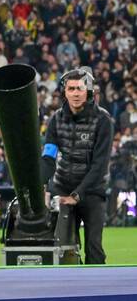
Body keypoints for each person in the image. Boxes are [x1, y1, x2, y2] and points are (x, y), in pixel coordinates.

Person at [43, 68, 113, 264]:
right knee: (62, 250)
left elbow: (100, 164)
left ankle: (96, 283)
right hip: (62, 189)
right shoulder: (55, 119)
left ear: (88, 91)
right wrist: (43, 186)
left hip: (92, 192)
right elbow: (48, 157)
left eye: (79, 89)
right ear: (64, 92)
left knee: (94, 250)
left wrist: (77, 195)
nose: (75, 93)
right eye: (71, 89)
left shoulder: (103, 119)